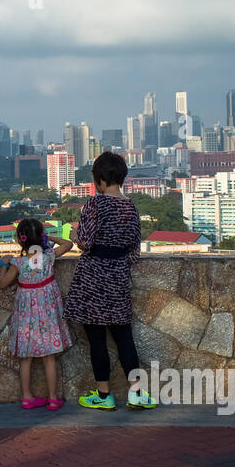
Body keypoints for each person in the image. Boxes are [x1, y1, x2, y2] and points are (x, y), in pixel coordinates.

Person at [63, 152, 156, 410]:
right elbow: (134, 251)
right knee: (124, 336)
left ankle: (104, 396)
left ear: (100, 179)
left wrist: (74, 233)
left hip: (93, 275)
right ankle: (136, 393)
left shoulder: (95, 204)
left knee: (97, 339)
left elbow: (85, 242)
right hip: (118, 275)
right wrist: (116, 263)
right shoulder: (131, 206)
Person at [0, 218, 74, 410]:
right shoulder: (48, 256)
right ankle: (53, 398)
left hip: (26, 314)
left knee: (25, 357)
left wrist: (3, 266)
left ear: (20, 240)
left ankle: (27, 397)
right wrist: (48, 237)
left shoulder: (18, 262)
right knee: (49, 356)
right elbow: (68, 244)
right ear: (41, 238)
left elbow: (2, 284)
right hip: (47, 313)